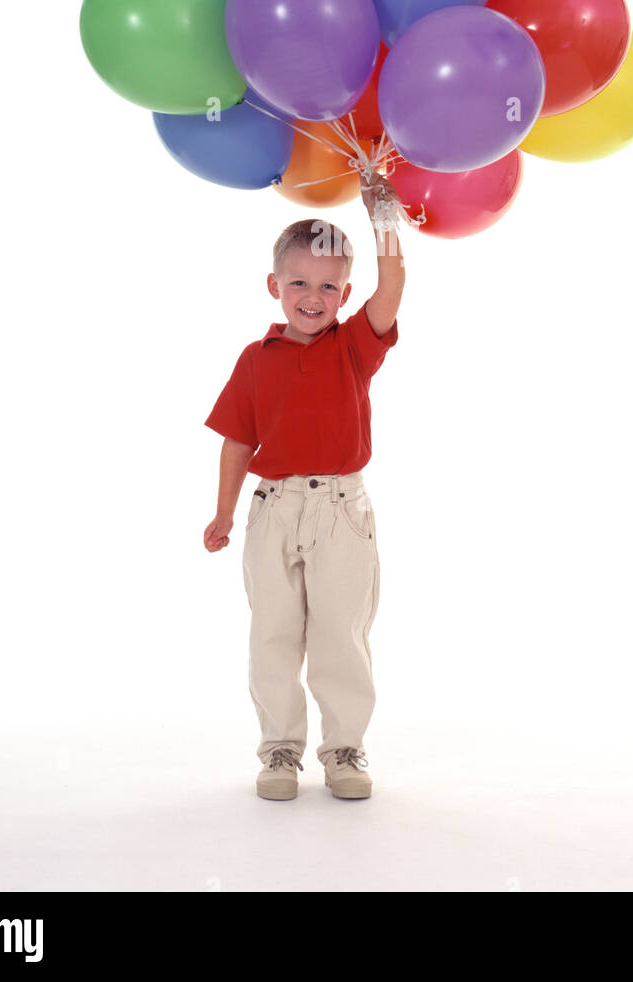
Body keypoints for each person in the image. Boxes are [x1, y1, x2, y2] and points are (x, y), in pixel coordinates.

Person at [203, 169, 405, 801]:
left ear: (345, 294)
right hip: (273, 510)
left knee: (340, 631)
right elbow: (238, 440)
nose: (312, 296)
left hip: (341, 511)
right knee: (274, 632)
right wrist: (223, 513)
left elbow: (393, 286)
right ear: (274, 286)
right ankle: (281, 751)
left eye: (328, 286)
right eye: (298, 283)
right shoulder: (255, 358)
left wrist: (385, 219)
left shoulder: (353, 348)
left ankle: (344, 749)